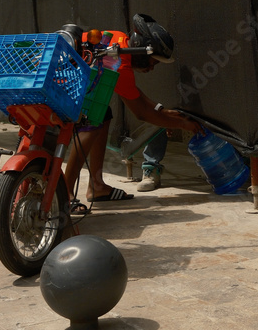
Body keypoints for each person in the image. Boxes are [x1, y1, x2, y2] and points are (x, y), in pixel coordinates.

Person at [62, 14, 201, 210]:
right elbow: (141, 112)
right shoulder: (119, 62)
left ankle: (97, 186)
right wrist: (182, 124)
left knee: (103, 114)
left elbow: (133, 93)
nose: (152, 68)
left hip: (67, 84)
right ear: (141, 51)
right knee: (91, 120)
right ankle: (65, 195)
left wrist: (163, 113)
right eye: (152, 61)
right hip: (66, 92)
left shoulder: (118, 41)